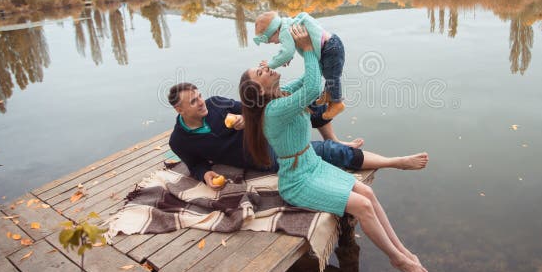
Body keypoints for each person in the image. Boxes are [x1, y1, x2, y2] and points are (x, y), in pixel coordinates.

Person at [240, 24, 428, 272]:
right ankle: (397, 260)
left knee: (367, 192)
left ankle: (402, 249)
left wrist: (302, 49)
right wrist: (306, 49)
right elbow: (312, 88)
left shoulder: (282, 95)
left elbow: (314, 84)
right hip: (297, 181)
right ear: (259, 90)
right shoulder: (273, 110)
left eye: (263, 66)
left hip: (312, 165)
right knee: (362, 205)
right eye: (261, 71)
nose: (266, 67)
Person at [168, 83, 428, 189]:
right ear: (179, 110)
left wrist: (247, 119)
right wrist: (204, 174)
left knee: (305, 108)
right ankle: (395, 161)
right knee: (325, 154)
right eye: (193, 101)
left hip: (267, 133)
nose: (201, 102)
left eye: (199, 95)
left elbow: (254, 108)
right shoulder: (179, 141)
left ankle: (332, 137)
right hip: (263, 155)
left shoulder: (216, 104)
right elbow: (196, 164)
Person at [254, 10, 346, 120]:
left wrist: (270, 64)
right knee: (328, 74)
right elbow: (290, 48)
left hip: (330, 48)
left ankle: (337, 103)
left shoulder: (284, 32)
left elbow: (286, 52)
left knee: (332, 77)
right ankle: (329, 95)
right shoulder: (288, 24)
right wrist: (289, 57)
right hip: (331, 45)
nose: (273, 43)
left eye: (270, 40)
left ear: (276, 31)